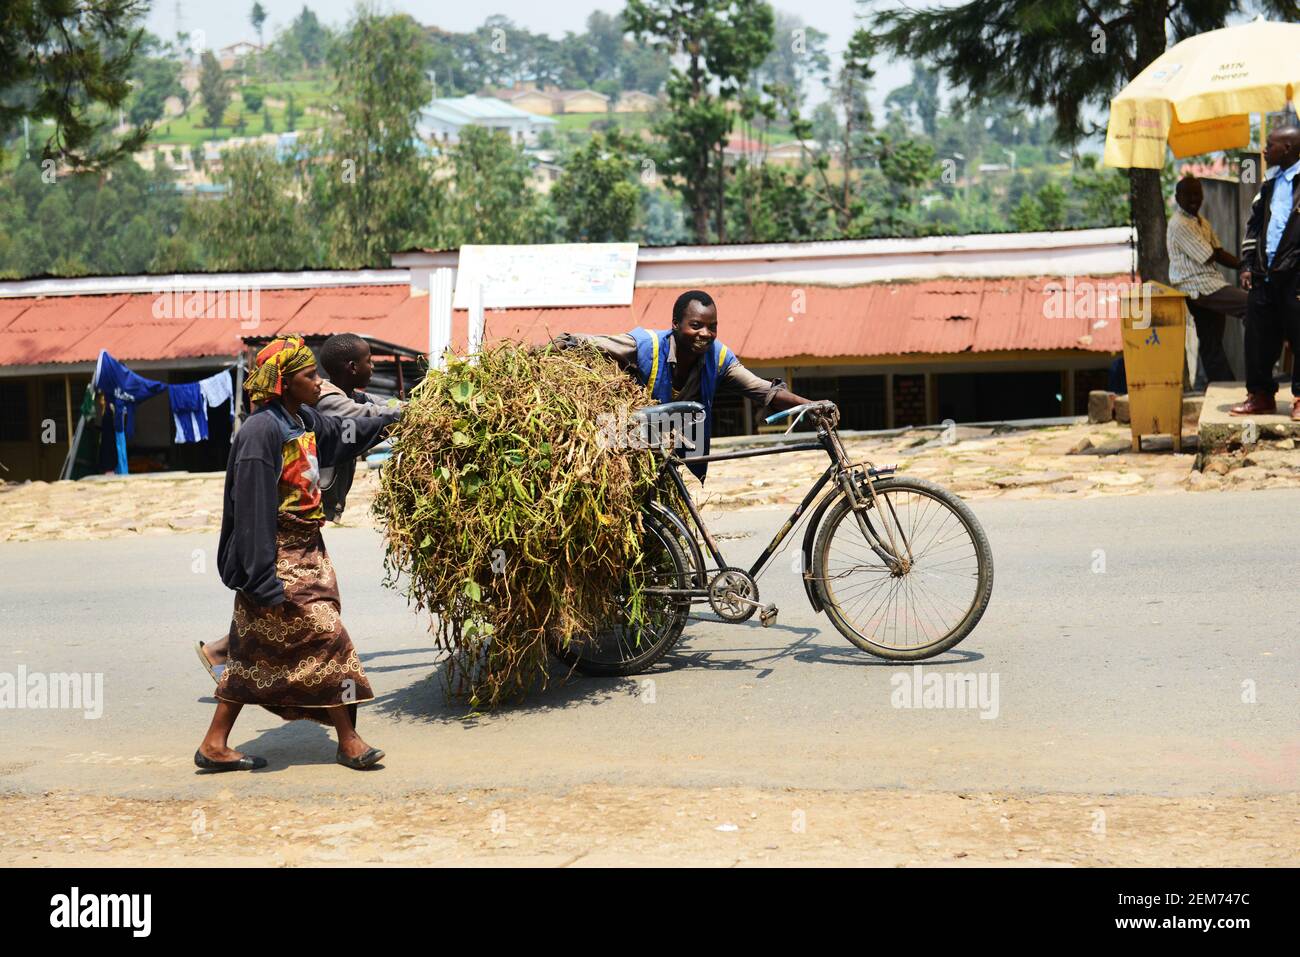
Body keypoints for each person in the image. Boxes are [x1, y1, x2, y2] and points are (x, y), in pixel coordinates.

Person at [194, 336, 399, 772]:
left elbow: (346, 436)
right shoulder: (260, 431)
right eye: (309, 376)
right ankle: (349, 741)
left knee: (250, 656)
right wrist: (260, 576)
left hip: (309, 548)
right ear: (284, 383)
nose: (318, 382)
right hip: (276, 557)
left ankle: (214, 743)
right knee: (329, 637)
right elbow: (249, 510)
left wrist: (396, 419)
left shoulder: (301, 418)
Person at [553, 289, 821, 479]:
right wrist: (559, 345)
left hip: (670, 455)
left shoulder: (719, 359)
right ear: (675, 325)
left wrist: (812, 406)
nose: (705, 334)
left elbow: (764, 390)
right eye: (696, 325)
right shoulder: (645, 345)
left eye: (712, 326)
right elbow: (589, 342)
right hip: (627, 448)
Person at [1231, 125, 1300, 419]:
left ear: (1286, 149)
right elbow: (1254, 226)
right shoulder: (1269, 185)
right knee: (1258, 336)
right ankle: (1260, 396)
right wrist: (1247, 264)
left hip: (1296, 275)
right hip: (1264, 274)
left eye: (1269, 145)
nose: (1264, 150)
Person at [1166, 175, 1248, 386]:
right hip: (1198, 285)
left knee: (1211, 341)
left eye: (1197, 194)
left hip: (1209, 282)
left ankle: (1223, 384)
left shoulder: (1201, 222)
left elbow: (1218, 250)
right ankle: (1257, 371)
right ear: (1177, 197)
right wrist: (1243, 266)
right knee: (1252, 305)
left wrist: (1242, 265)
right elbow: (1210, 255)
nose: (1194, 199)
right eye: (1188, 195)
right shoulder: (1179, 224)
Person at [316, 333, 401, 523]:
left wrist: (417, 406)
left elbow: (387, 405)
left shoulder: (352, 395)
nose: (373, 367)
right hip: (314, 499)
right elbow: (371, 415)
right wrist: (406, 414)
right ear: (353, 367)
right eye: (369, 361)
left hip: (325, 500)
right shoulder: (327, 401)